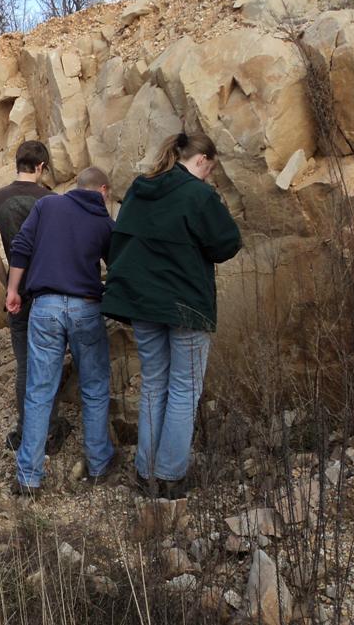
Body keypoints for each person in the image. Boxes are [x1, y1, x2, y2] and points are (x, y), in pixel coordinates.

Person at [102, 132, 242, 499]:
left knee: (154, 385)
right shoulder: (199, 194)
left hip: (143, 304)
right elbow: (227, 243)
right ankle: (169, 475)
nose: (209, 177)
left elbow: (120, 239)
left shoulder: (139, 188)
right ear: (202, 160)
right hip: (186, 305)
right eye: (209, 170)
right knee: (184, 388)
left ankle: (145, 472)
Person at [6, 167, 116, 496]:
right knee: (95, 388)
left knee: (39, 391)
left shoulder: (47, 206)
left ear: (75, 187)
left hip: (45, 306)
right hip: (85, 306)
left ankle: (28, 477)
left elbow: (21, 247)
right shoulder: (105, 223)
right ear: (104, 190)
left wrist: (13, 290)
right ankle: (98, 464)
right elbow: (118, 266)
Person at [0, 140, 71, 453]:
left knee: (24, 364)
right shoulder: (52, 199)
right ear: (42, 167)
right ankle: (50, 430)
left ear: (16, 163)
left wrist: (8, 281)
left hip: (16, 292)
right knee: (48, 362)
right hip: (48, 290)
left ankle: (24, 431)